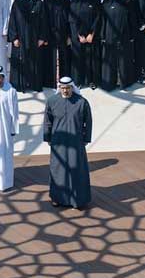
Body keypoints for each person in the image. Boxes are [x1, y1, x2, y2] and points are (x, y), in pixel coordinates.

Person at [43, 76, 93, 208]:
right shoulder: (52, 101)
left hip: (76, 142)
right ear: (59, 88)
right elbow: (47, 121)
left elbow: (88, 122)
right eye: (62, 88)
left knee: (77, 169)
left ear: (72, 87)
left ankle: (78, 200)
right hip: (58, 142)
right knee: (57, 169)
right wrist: (48, 138)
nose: (65, 91)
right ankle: (57, 198)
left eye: (68, 88)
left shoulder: (82, 102)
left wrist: (86, 138)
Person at [7, 0, 46, 92]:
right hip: (21, 39)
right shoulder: (17, 3)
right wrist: (14, 38)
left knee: (35, 63)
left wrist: (42, 38)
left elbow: (43, 22)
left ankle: (34, 84)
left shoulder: (38, 3)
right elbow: (12, 21)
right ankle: (20, 85)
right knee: (21, 62)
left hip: (34, 39)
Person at [100, 0, 137, 90]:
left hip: (124, 34)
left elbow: (132, 19)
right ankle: (109, 83)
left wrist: (132, 35)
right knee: (110, 59)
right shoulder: (107, 2)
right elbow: (103, 20)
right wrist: (103, 35)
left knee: (123, 60)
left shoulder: (128, 1)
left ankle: (124, 81)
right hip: (110, 35)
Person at [68, 0, 103, 88]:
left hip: (91, 36)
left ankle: (92, 81)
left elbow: (98, 17)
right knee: (79, 58)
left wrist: (92, 34)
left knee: (92, 58)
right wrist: (79, 35)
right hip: (79, 37)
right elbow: (72, 19)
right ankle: (78, 81)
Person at [42, 0, 72, 86]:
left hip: (63, 34)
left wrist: (69, 36)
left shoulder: (66, 1)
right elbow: (44, 20)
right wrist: (45, 37)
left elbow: (70, 20)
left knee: (64, 57)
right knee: (50, 58)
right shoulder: (46, 2)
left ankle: (64, 80)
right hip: (50, 35)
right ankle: (51, 81)